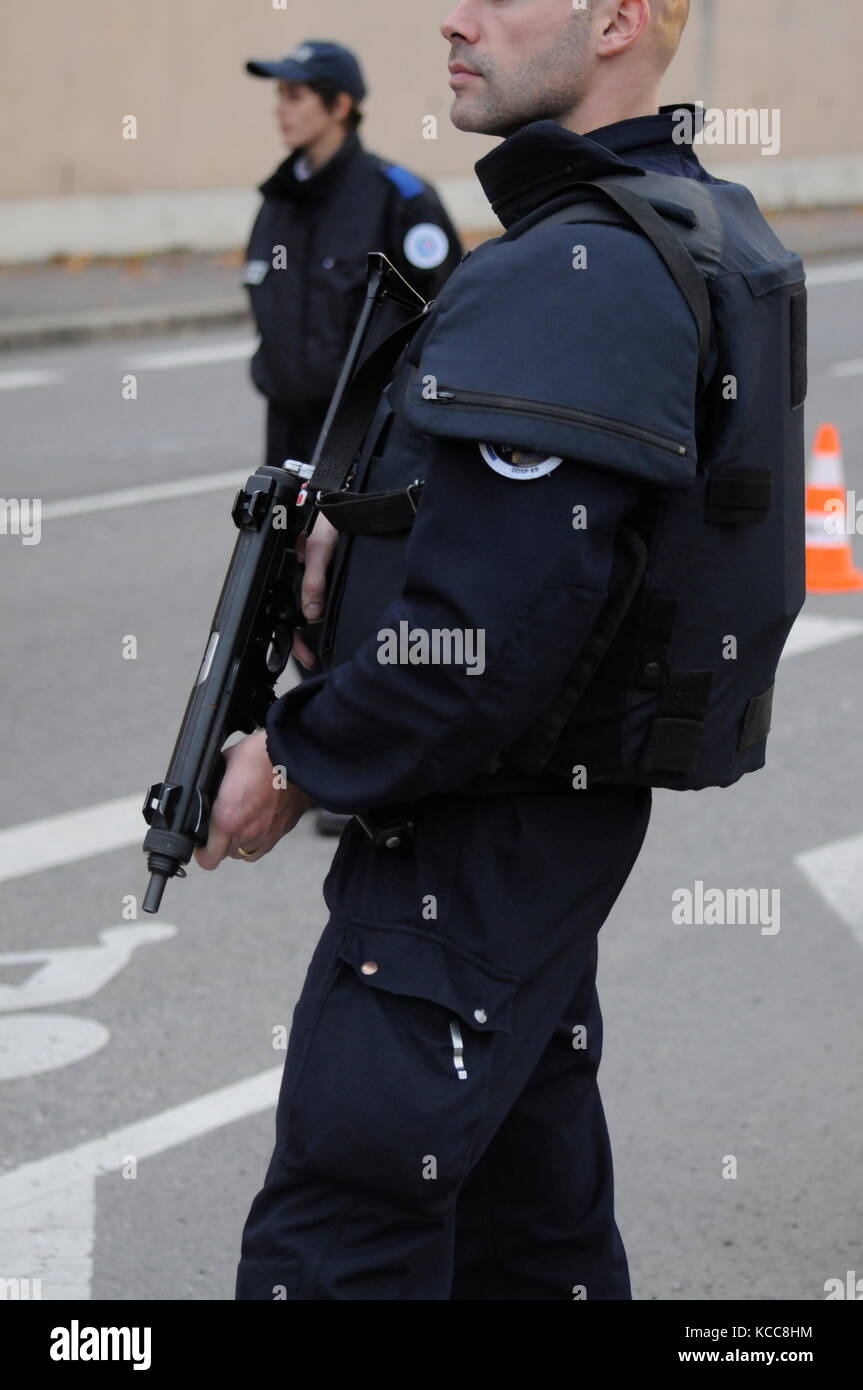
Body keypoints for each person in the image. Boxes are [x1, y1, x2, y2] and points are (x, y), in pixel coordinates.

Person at [198, 0, 806, 1300]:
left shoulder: (574, 269)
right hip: (536, 843)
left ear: (619, 22)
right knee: (528, 1234)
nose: (451, 17)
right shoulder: (676, 220)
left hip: (463, 855)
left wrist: (292, 760)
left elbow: (470, 647)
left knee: (336, 1242)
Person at [243, 40, 463, 473]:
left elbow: (444, 318)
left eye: (294, 96)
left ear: (339, 105)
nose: (279, 109)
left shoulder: (399, 200)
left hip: (366, 438)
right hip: (286, 433)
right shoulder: (278, 201)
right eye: (278, 95)